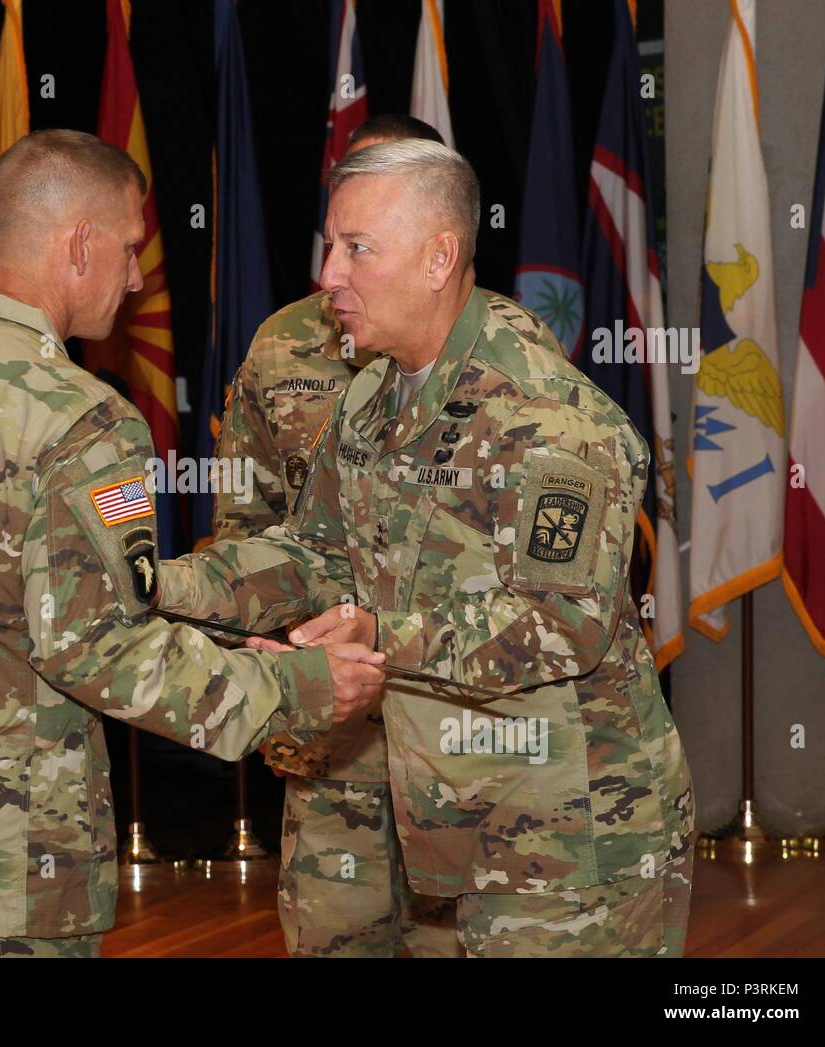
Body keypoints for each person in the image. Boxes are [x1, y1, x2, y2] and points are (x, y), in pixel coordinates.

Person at [0, 129, 385, 959]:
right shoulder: (82, 417)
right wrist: (296, 684)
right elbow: (99, 646)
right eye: (129, 252)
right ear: (78, 245)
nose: (135, 278)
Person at [160, 139, 695, 957]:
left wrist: (380, 635)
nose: (330, 274)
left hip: (575, 837)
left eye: (357, 249)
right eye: (330, 246)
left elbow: (561, 626)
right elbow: (312, 555)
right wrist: (161, 583)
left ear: (440, 256)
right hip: (453, 809)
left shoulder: (547, 416)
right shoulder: (376, 391)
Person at [214, 113, 465, 958]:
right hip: (333, 731)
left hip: (457, 728)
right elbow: (245, 519)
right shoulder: (280, 345)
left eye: (363, 238)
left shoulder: (503, 359)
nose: (338, 266)